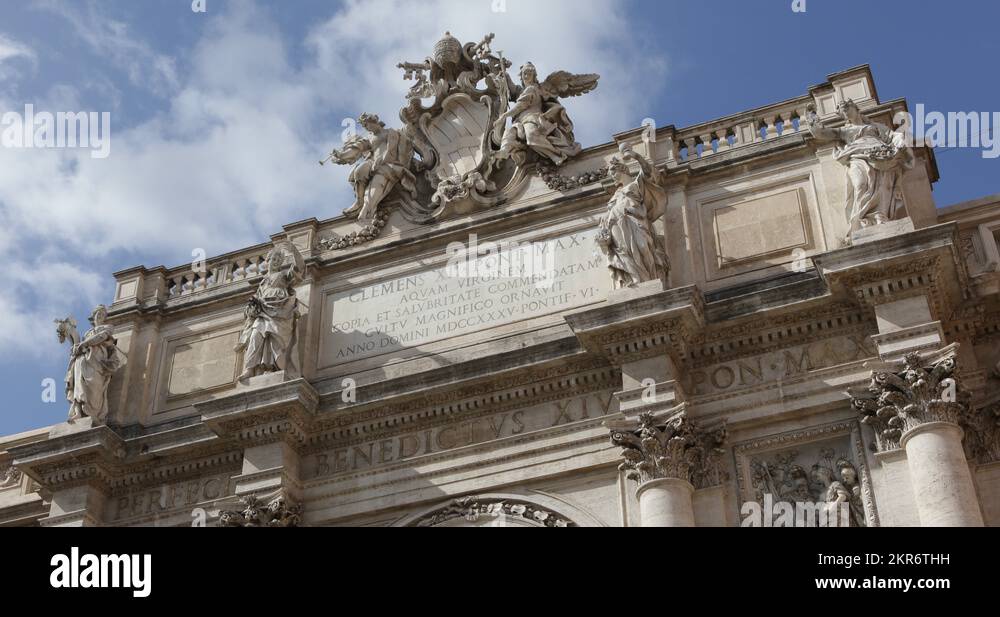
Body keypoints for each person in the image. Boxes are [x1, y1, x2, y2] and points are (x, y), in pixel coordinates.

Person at [809, 100, 913, 238]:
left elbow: (893, 136)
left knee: (882, 186)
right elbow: (822, 133)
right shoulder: (843, 131)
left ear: (855, 108)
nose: (845, 111)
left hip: (880, 155)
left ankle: (879, 216)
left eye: (846, 108)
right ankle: (860, 219)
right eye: (842, 111)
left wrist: (900, 140)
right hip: (856, 155)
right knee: (860, 184)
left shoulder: (875, 127)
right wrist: (811, 120)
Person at [65, 305, 127, 423]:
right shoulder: (87, 332)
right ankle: (78, 412)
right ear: (93, 316)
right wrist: (70, 333)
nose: (100, 316)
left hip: (98, 360)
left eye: (103, 314)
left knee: (94, 387)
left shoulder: (108, 327)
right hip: (83, 360)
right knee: (79, 383)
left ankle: (94, 413)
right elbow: (78, 344)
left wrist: (84, 344)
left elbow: (101, 337)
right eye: (98, 314)